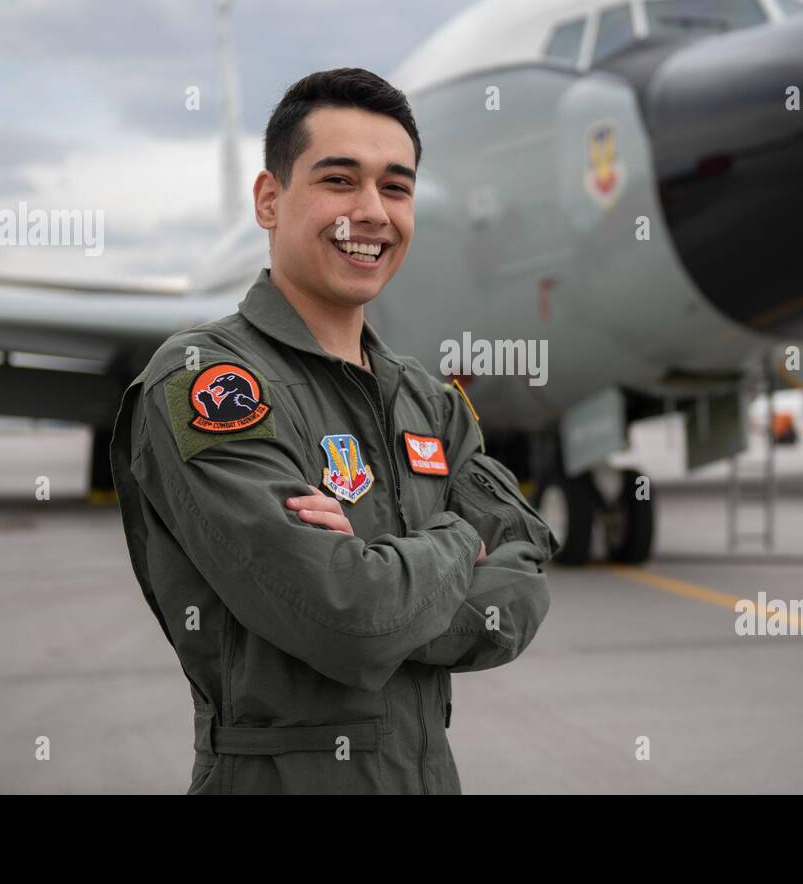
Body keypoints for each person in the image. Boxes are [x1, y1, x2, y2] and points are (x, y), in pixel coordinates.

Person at [109, 67, 558, 794]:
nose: (373, 212)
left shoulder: (428, 399)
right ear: (269, 198)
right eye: (340, 180)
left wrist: (385, 575)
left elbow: (526, 574)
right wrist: (452, 542)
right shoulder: (207, 382)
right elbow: (347, 618)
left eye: (397, 186)